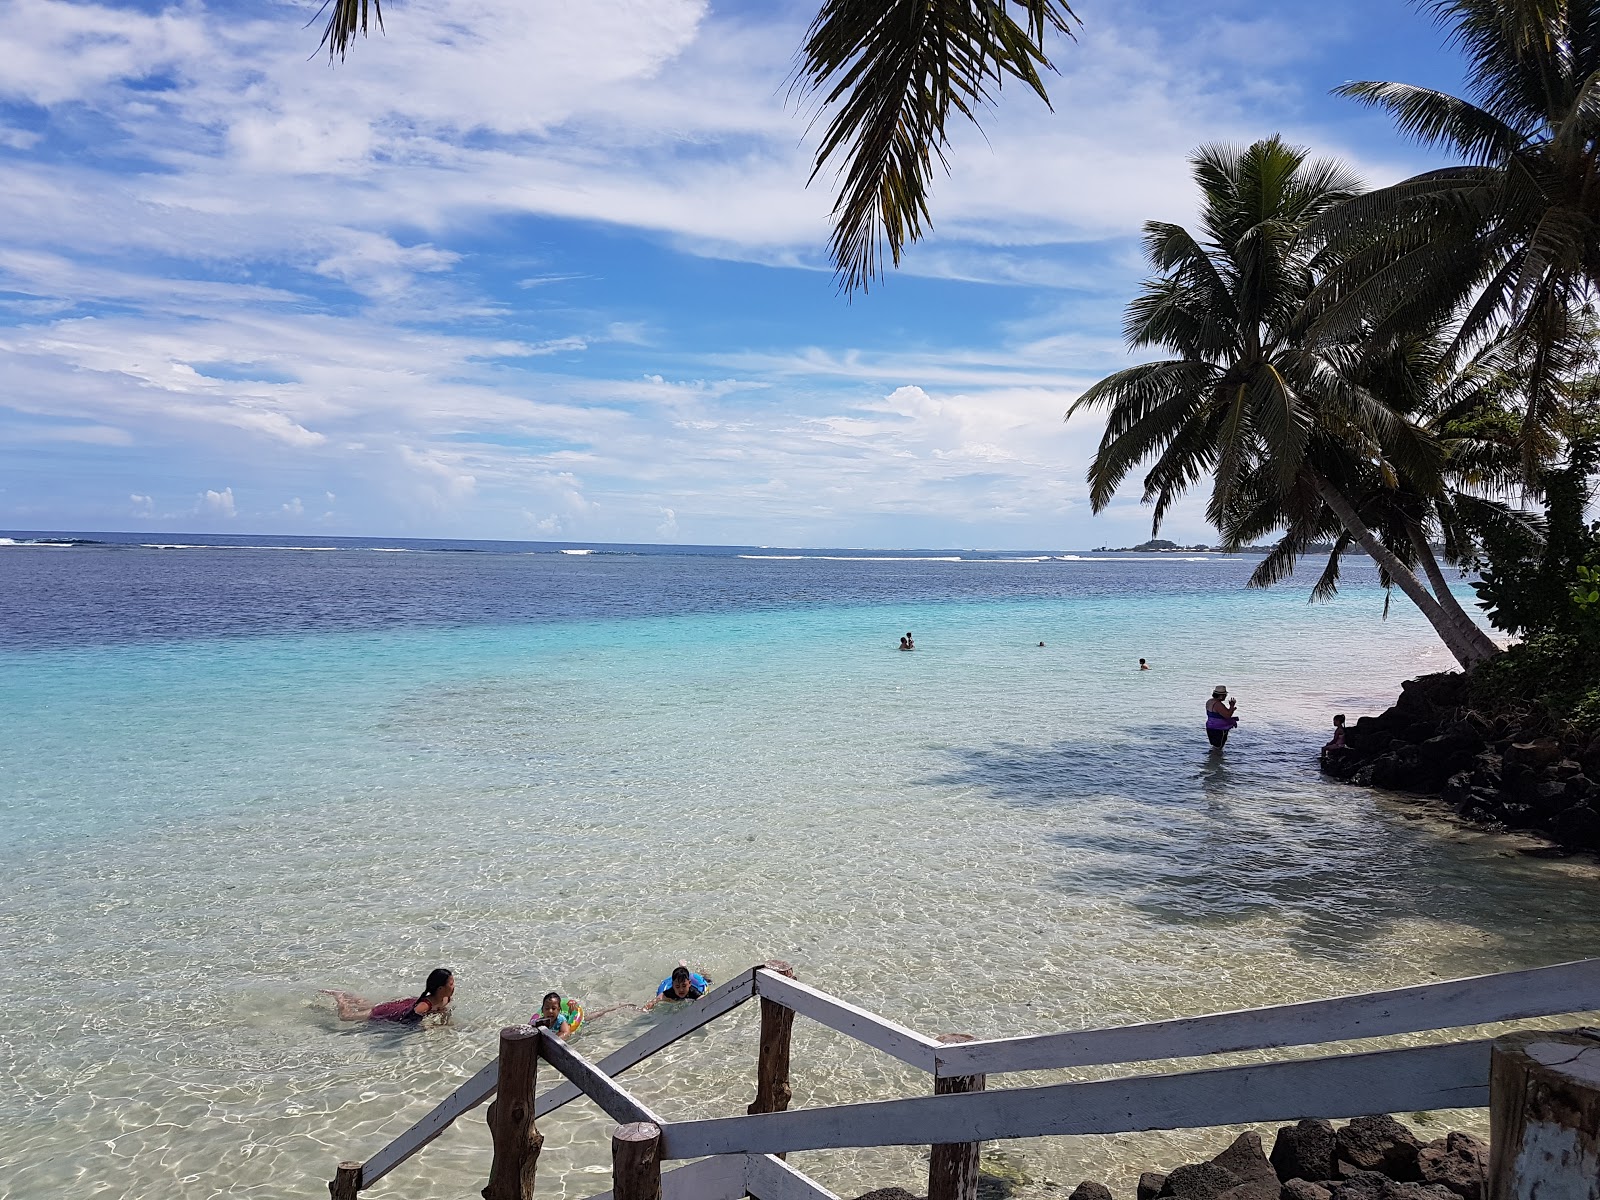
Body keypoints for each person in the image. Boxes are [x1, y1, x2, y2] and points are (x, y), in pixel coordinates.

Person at [324, 968, 454, 1025]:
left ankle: (349, 996)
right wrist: (426, 1027)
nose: (454, 986)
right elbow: (409, 1019)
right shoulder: (424, 1005)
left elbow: (442, 1010)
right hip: (393, 1012)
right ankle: (340, 997)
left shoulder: (445, 998)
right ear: (440, 989)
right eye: (451, 984)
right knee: (345, 1017)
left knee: (370, 1005)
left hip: (406, 1003)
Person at [645, 964, 712, 1011]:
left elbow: (705, 1000)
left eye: (684, 986)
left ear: (689, 984)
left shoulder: (693, 991)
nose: (681, 990)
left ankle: (701, 969)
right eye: (677, 986)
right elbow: (655, 1001)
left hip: (697, 983)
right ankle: (683, 967)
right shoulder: (670, 992)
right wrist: (644, 1009)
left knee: (709, 980)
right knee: (682, 977)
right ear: (672, 985)